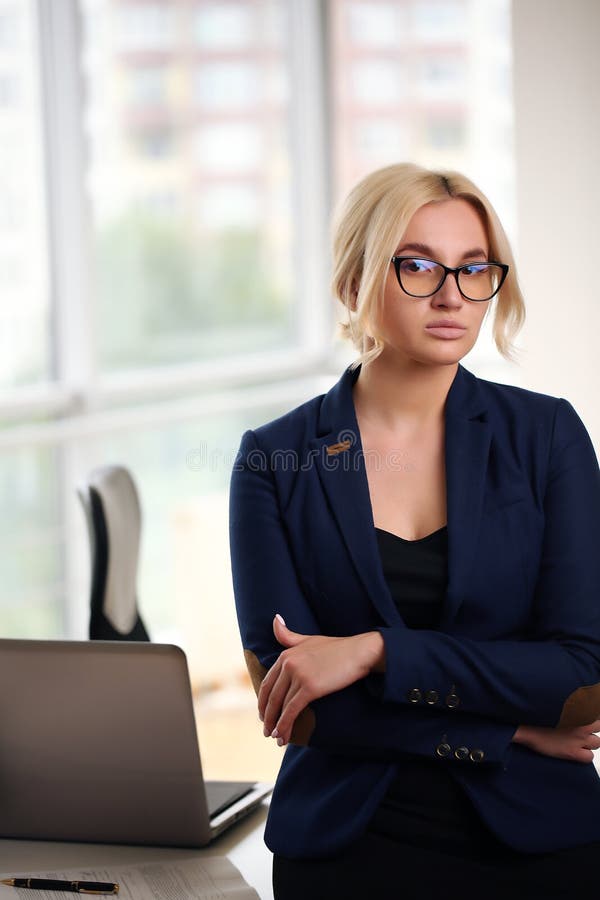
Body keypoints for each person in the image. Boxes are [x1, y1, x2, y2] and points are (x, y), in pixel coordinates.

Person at [228, 163, 600, 899]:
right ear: (354, 280)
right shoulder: (275, 459)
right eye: (419, 267)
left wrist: (375, 653)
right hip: (346, 841)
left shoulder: (547, 436)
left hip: (539, 840)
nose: (453, 296)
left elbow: (582, 680)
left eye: (473, 269)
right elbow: (293, 707)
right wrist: (509, 729)